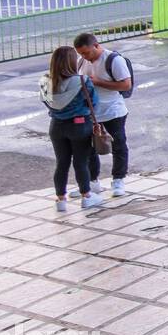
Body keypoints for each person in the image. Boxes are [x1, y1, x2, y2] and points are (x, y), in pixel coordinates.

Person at [39, 46, 107, 212]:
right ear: (71, 61)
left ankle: (60, 200)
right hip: (79, 125)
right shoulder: (82, 81)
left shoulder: (44, 81)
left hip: (56, 126)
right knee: (81, 162)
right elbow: (94, 104)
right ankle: (86, 197)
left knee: (61, 163)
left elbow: (46, 103)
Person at [73, 32, 131, 198]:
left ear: (96, 46)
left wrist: (97, 82)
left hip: (113, 110)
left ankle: (119, 179)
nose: (84, 56)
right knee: (88, 147)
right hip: (91, 113)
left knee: (118, 144)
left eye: (86, 52)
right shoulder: (82, 61)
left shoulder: (113, 60)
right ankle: (92, 182)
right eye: (81, 53)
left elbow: (126, 85)